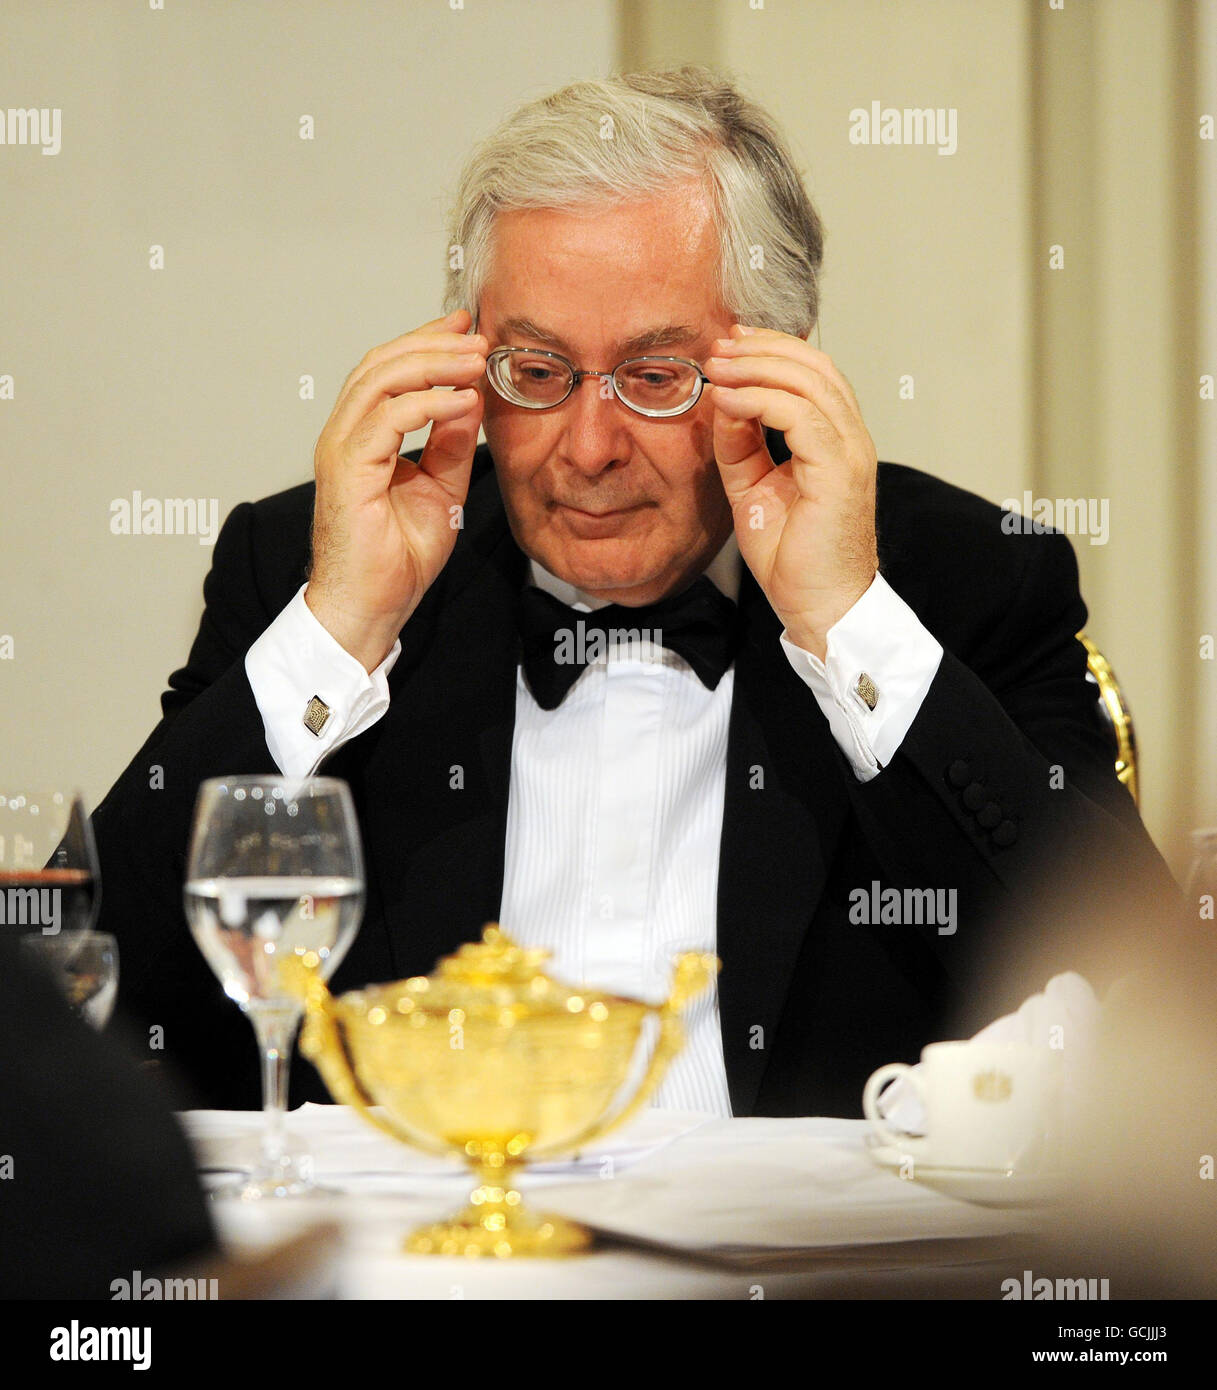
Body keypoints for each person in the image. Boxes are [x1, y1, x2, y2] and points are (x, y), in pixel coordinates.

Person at [91, 67, 1178, 1117]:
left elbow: (1129, 1001)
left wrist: (845, 621)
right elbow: (87, 980)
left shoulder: (956, 575)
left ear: (775, 372)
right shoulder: (319, 560)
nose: (590, 446)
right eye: (536, 371)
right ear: (466, 365)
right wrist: (340, 629)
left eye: (655, 378)